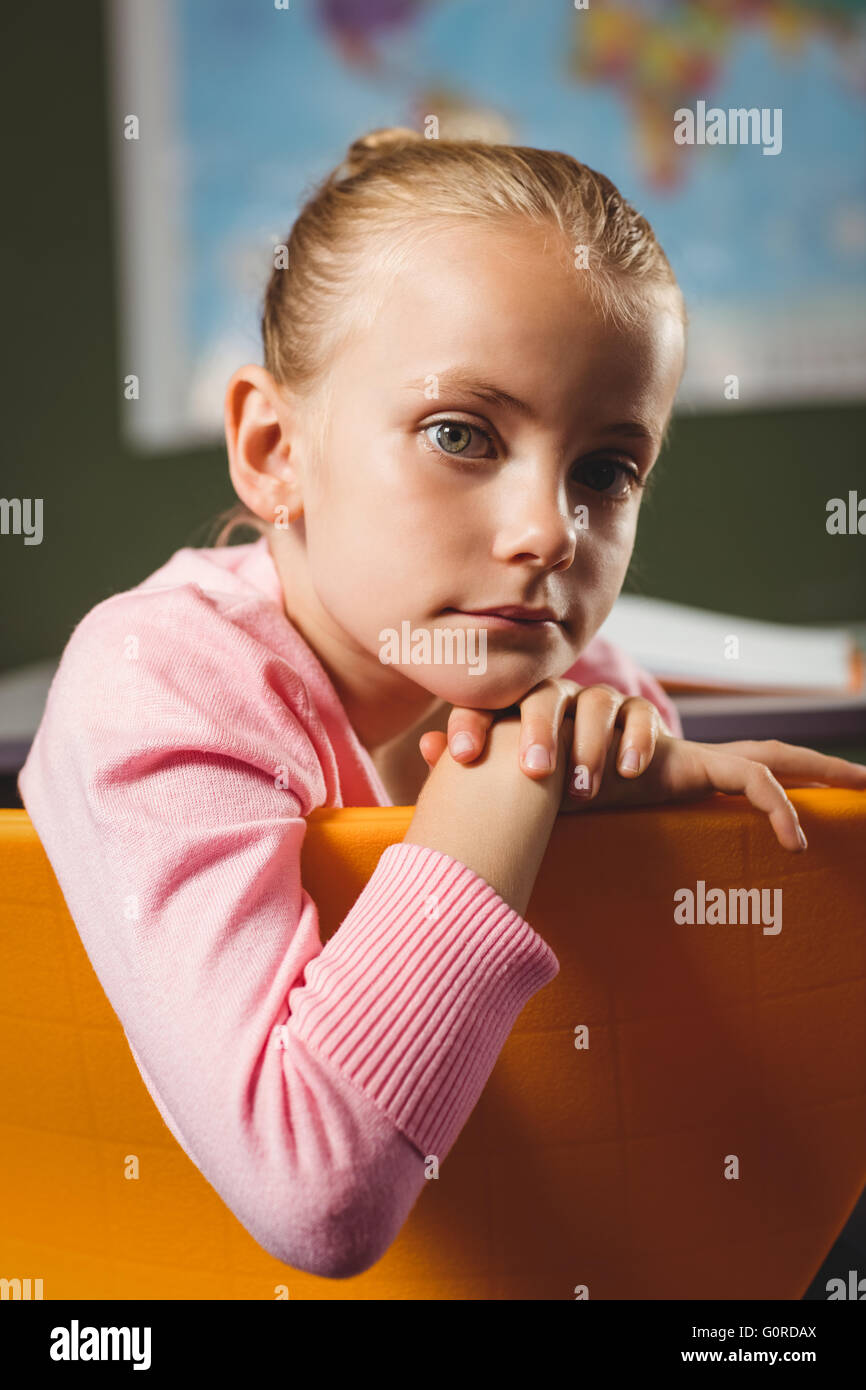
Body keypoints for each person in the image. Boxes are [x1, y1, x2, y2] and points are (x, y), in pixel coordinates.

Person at [18, 128, 866, 1280]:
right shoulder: (151, 681)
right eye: (460, 434)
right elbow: (315, 1197)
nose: (546, 532)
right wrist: (498, 795)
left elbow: (662, 1156)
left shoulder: (593, 697)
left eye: (605, 468)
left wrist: (633, 822)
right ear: (273, 450)